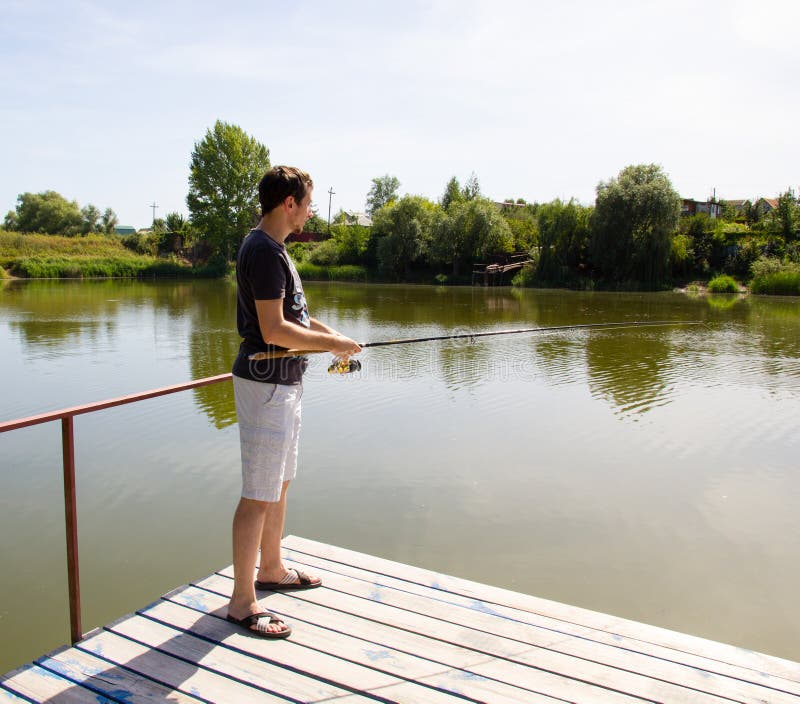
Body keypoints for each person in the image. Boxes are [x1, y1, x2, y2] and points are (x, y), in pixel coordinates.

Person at [227, 166, 361, 638]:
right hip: (266, 386)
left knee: (278, 484)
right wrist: (330, 347)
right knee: (258, 492)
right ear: (289, 203)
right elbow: (273, 331)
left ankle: (272, 568)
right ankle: (242, 601)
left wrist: (336, 337)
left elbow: (299, 317)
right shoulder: (263, 251)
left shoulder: (275, 250)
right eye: (306, 202)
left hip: (283, 383)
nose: (309, 211)